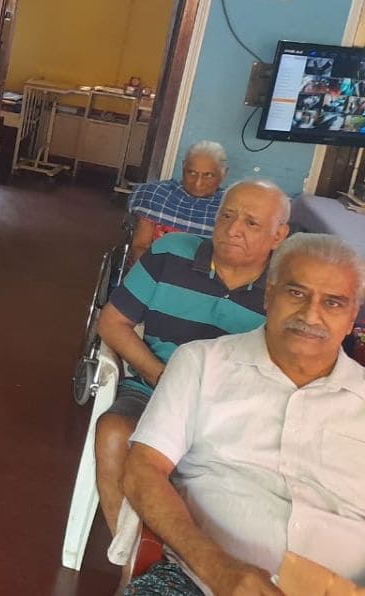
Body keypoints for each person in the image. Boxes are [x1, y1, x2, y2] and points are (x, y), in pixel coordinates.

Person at [121, 233, 365, 595]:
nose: (310, 315)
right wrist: (218, 569)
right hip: (201, 580)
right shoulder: (202, 363)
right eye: (296, 293)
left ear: (351, 320)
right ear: (268, 295)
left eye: (333, 303)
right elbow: (143, 470)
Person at [94, 180, 290, 536]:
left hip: (234, 409)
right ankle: (128, 557)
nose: (233, 229)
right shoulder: (170, 253)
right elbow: (111, 323)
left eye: (252, 223)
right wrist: (158, 374)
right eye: (227, 216)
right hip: (154, 390)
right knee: (112, 433)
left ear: (279, 236)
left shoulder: (287, 289)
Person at [126, 140, 228, 266]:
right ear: (183, 166)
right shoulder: (157, 194)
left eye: (208, 175)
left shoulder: (229, 207)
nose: (198, 183)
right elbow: (140, 246)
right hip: (152, 270)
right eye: (192, 173)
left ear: (224, 174)